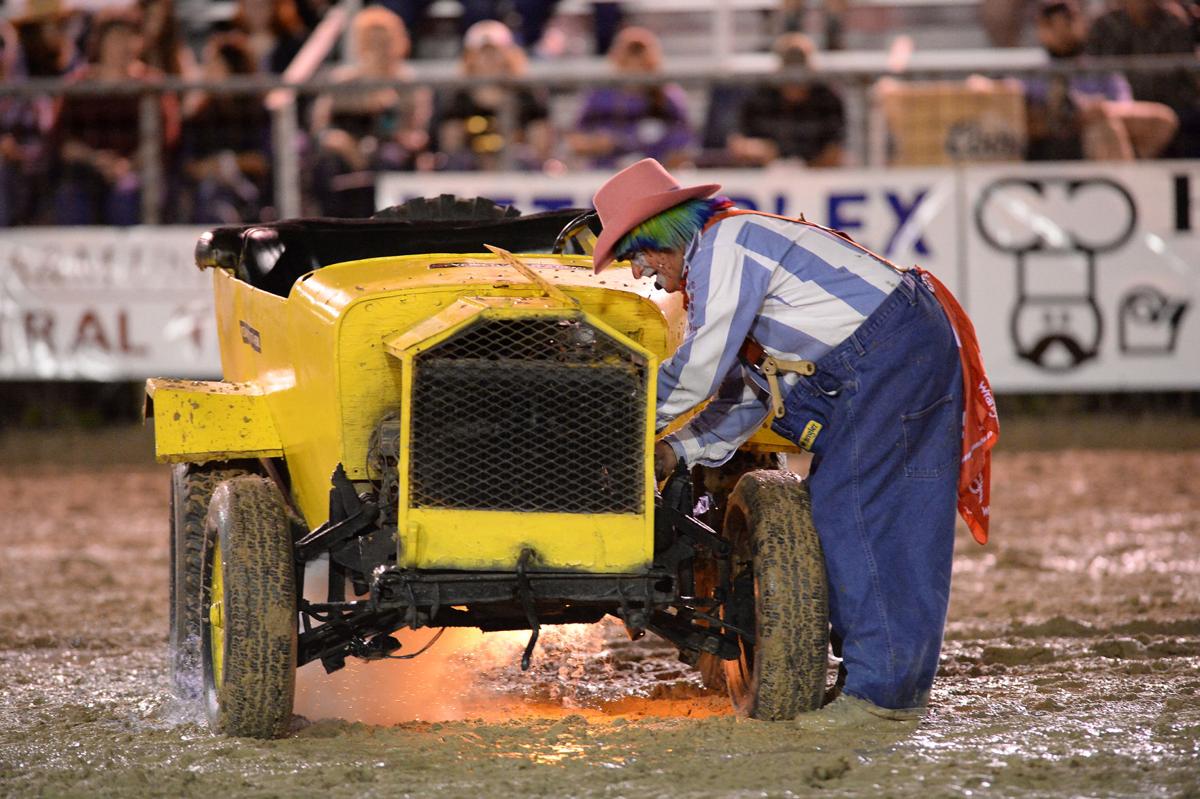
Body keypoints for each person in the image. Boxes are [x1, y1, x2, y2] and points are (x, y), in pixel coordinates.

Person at [590, 158, 998, 723]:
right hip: (891, 350)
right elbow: (748, 391)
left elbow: (701, 367)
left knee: (861, 514)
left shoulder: (726, 244)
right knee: (865, 515)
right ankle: (880, 685)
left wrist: (615, 421)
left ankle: (880, 699)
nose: (639, 273)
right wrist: (677, 448)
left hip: (883, 358)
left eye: (637, 254)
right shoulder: (734, 249)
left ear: (664, 235)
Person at [310, 7, 431, 215]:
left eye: (384, 40)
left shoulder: (409, 84)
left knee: (389, 159)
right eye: (370, 40)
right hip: (345, 148)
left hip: (390, 148)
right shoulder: (342, 81)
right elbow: (320, 126)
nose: (378, 47)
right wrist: (343, 143)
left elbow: (417, 131)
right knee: (325, 165)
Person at [1026, 0, 1178, 160]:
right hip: (1044, 148)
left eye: (1068, 21)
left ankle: (1125, 174)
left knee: (1106, 127)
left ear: (1082, 23)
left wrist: (1094, 110)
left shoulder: (1101, 70)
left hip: (1096, 139)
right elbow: (1025, 117)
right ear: (1040, 30)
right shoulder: (1030, 74)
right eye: (1051, 25)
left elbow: (1125, 108)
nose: (1062, 32)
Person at [432, 20, 553, 172]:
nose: (489, 59)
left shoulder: (526, 94)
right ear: (470, 57)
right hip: (471, 171)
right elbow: (450, 144)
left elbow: (540, 146)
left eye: (495, 52)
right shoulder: (459, 96)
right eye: (482, 53)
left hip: (518, 170)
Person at [568, 26, 694, 169]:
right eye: (628, 57)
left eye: (641, 59)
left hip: (655, 176)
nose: (634, 66)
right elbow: (576, 141)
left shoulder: (667, 97)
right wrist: (597, 144)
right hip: (607, 174)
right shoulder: (599, 96)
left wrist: (664, 162)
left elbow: (684, 146)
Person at [728, 33, 846, 168]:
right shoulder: (758, 98)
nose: (795, 74)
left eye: (799, 62)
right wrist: (757, 150)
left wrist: (802, 170)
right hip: (764, 176)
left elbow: (836, 151)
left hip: (816, 175)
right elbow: (737, 144)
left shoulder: (827, 100)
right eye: (790, 62)